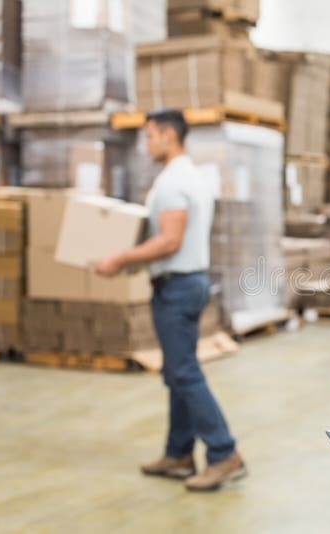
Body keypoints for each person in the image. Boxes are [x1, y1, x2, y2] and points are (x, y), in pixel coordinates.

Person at [95, 109, 246, 491]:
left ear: (167, 135)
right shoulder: (188, 176)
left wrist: (120, 258)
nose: (146, 144)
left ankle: (223, 452)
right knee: (179, 370)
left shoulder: (173, 182)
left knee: (183, 373)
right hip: (186, 283)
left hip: (177, 286)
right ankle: (178, 453)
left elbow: (169, 240)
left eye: (148, 136)